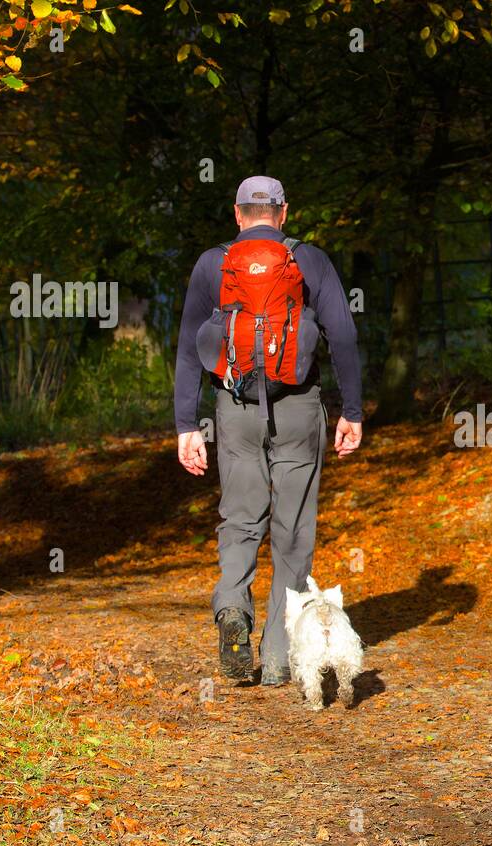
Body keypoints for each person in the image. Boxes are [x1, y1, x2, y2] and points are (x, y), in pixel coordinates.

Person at [174, 175, 364, 686]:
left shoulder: (213, 263)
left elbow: (190, 345)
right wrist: (353, 409)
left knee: (239, 521)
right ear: (282, 213)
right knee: (293, 531)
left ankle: (232, 606)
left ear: (238, 215)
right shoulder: (309, 260)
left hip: (233, 408)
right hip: (298, 406)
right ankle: (280, 656)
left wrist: (186, 424)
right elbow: (342, 333)